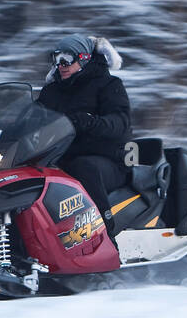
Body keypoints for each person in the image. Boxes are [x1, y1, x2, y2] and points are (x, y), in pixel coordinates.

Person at [35, 33, 132, 239]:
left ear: (85, 58)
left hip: (107, 160)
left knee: (83, 168)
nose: (61, 64)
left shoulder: (108, 85)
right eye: (57, 58)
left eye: (68, 59)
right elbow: (33, 118)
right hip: (58, 158)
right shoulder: (50, 92)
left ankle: (104, 233)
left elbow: (120, 123)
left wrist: (90, 122)